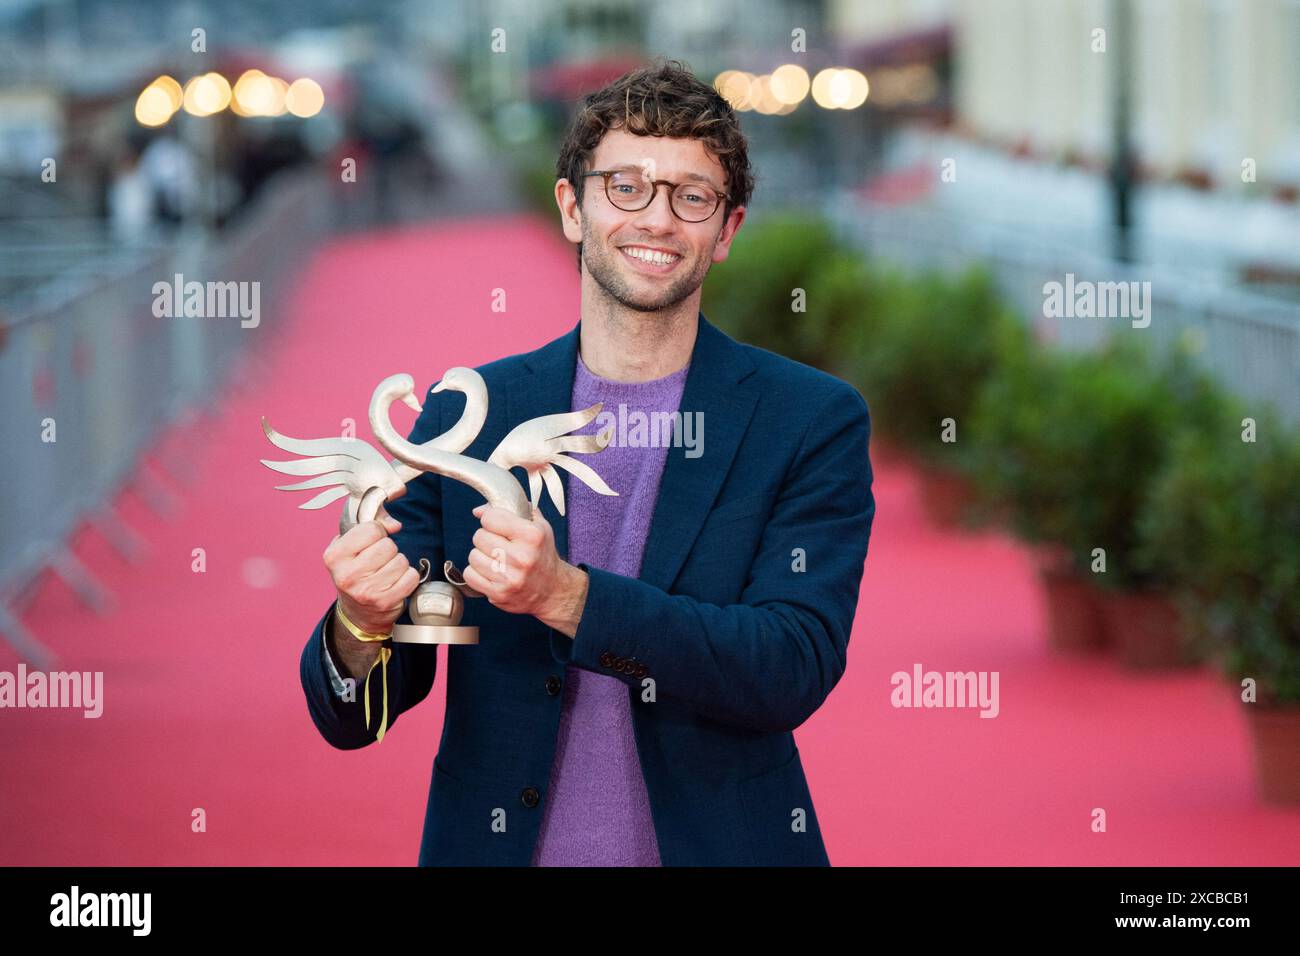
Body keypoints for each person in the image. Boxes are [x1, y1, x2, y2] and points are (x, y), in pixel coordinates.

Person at [300, 58, 875, 866]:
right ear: (573, 206)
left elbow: (790, 665)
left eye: (692, 196)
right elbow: (362, 714)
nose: (658, 219)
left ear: (727, 231)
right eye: (626, 187)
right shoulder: (467, 413)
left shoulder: (808, 420)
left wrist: (566, 596)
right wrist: (360, 623)